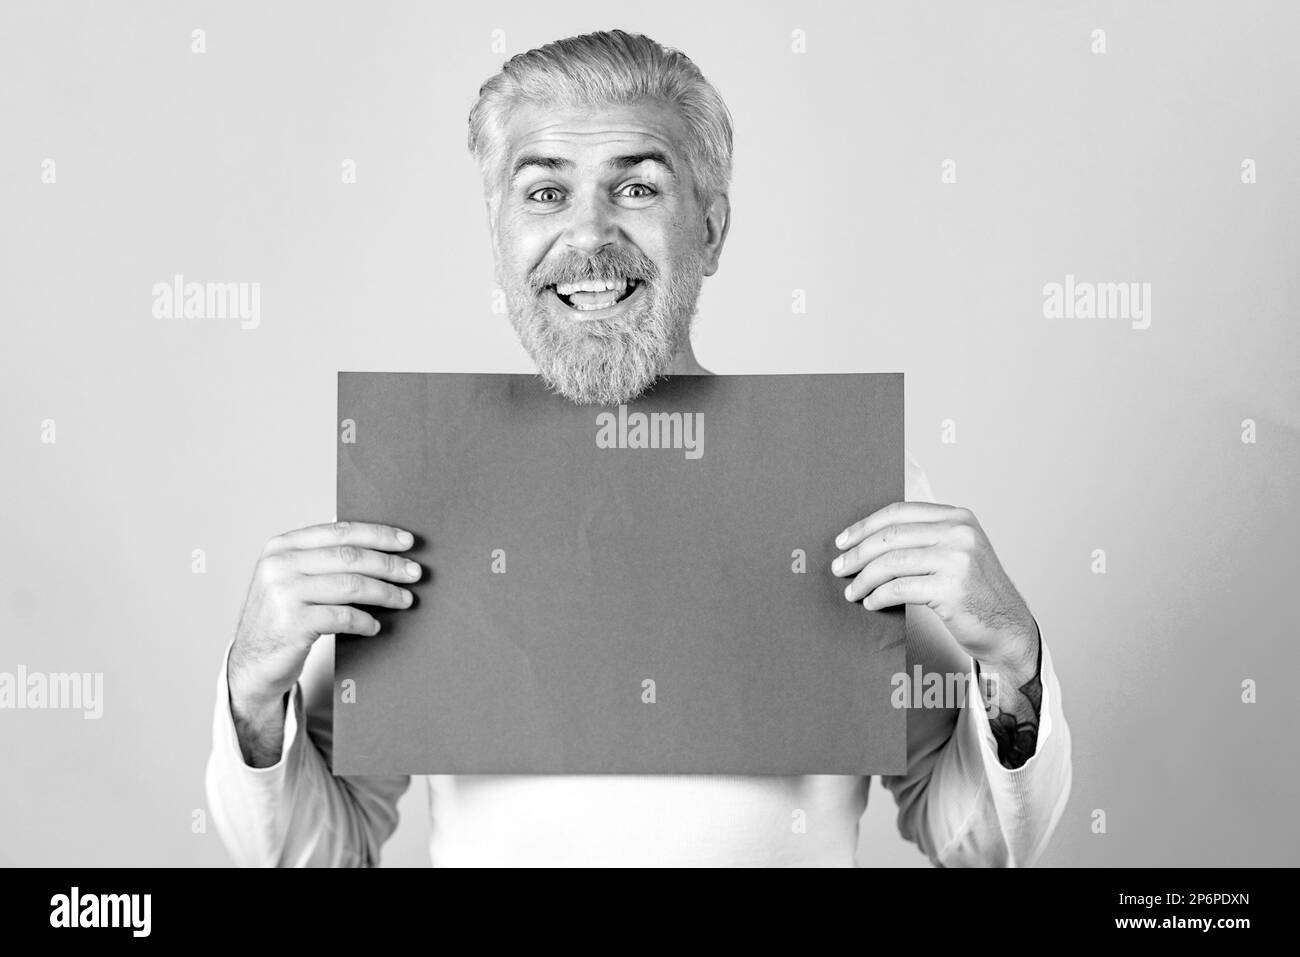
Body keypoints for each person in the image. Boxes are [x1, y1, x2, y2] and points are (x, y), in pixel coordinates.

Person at [205, 29, 1071, 867]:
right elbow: (318, 850)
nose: (587, 237)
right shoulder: (421, 489)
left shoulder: (844, 484)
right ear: (500, 236)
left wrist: (1012, 661)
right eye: (544, 193)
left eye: (638, 189)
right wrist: (253, 693)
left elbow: (979, 844)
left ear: (711, 231)